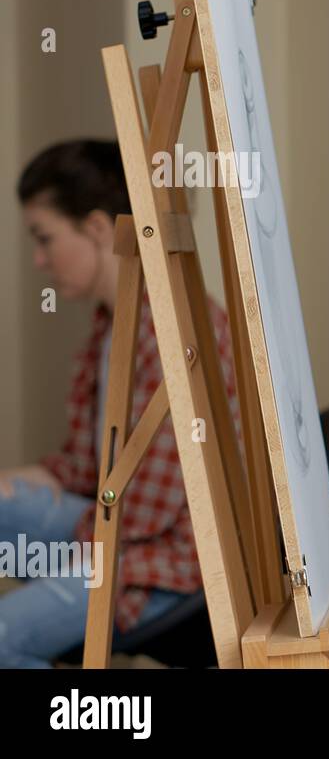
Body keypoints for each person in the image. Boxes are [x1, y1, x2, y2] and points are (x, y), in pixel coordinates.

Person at [0, 140, 239, 667]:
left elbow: (146, 513)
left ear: (97, 229)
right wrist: (21, 482)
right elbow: (88, 468)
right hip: (117, 530)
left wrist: (66, 556)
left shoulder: (170, 329)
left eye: (45, 239)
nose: (39, 260)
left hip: (162, 559)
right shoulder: (113, 325)